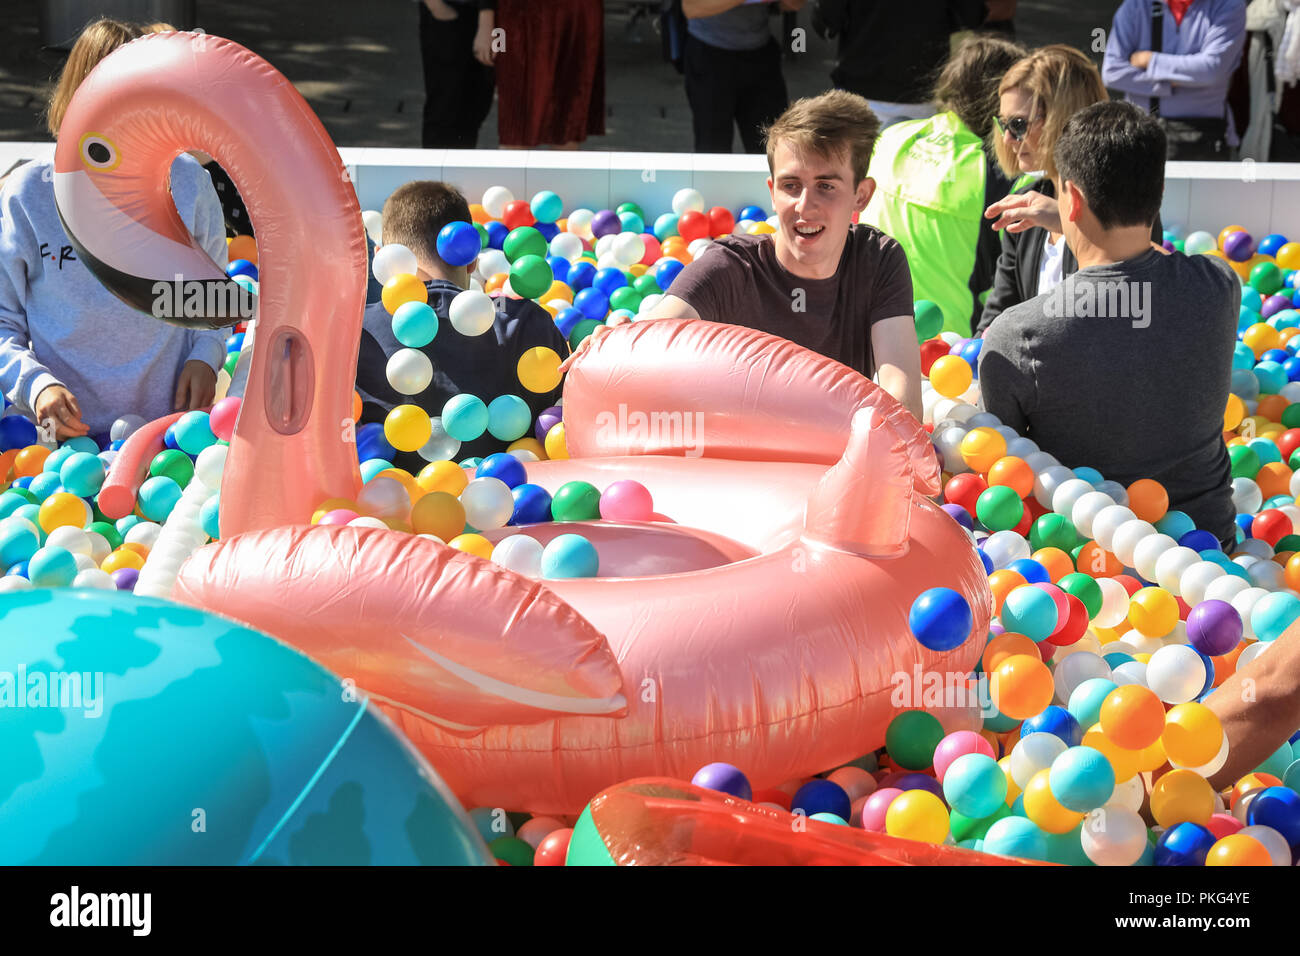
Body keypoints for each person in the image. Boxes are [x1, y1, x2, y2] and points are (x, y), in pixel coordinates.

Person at [565, 90, 923, 421]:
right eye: (790, 186)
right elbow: (658, 331)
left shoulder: (878, 260)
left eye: (826, 186)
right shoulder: (732, 266)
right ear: (771, 191)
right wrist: (622, 340)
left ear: (861, 196)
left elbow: (902, 400)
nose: (805, 206)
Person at [978, 100, 1239, 549]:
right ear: (1157, 192)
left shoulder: (1018, 335)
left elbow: (1005, 476)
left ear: (1072, 200)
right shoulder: (1218, 287)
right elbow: (1147, 270)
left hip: (1082, 580)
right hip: (1212, 560)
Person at [0, 18, 226, 441]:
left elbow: (213, 301)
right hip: (57, 447)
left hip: (172, 442)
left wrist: (206, 357)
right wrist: (38, 386)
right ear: (78, 100)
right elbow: (2, 320)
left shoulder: (189, 182)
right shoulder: (27, 195)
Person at [353, 181, 568, 468]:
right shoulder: (529, 323)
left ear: (381, 258)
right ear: (472, 260)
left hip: (384, 506)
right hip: (511, 503)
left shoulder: (355, 335)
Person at [974, 45, 1163, 337]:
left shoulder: (1125, 201)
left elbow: (1131, 303)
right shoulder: (1029, 201)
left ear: (1063, 119)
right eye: (1003, 123)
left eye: (1019, 124)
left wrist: (1065, 220)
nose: (1008, 138)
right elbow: (996, 318)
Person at [863, 34, 1026, 336]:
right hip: (953, 352)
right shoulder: (1003, 177)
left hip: (868, 329)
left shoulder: (891, 132)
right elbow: (1013, 285)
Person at [1102, 0, 1248, 160]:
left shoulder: (1229, 5)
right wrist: (1173, 82)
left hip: (1204, 137)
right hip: (1140, 134)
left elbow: (1211, 69)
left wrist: (1150, 60)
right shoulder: (1135, 5)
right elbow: (1112, 72)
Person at [811, 0, 988, 128]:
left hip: (861, 93)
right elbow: (971, 16)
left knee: (859, 175)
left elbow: (825, 22)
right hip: (922, 96)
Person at [680, 0, 798, 153]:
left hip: (761, 54)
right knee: (713, 152)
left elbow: (794, 4)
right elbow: (691, 7)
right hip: (709, 56)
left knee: (772, 151)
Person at [493, 0, 605, 148]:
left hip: (576, 14)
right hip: (518, 18)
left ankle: (562, 170)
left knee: (567, 120)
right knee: (515, 119)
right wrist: (487, 21)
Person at [418, 0, 496, 148]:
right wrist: (437, 7)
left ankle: (459, 168)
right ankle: (437, 169)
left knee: (477, 102)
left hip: (495, 20)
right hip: (453, 13)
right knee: (445, 107)